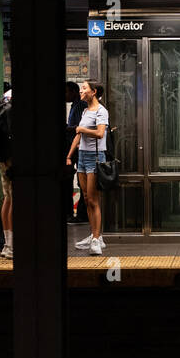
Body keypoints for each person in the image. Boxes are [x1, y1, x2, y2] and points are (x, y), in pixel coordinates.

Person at [67, 80, 109, 255]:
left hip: (95, 157)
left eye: (84, 88)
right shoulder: (85, 110)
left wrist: (81, 129)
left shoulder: (101, 111)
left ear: (94, 92)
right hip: (83, 156)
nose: (81, 90)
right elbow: (78, 135)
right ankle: (94, 235)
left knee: (93, 200)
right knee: (85, 197)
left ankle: (97, 240)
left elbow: (100, 133)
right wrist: (69, 156)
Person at [66, 82, 88, 224]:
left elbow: (81, 127)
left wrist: (69, 129)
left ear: (74, 91)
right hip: (74, 147)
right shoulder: (74, 105)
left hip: (78, 147)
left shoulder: (80, 105)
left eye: (67, 92)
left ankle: (82, 215)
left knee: (82, 182)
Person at [0, 86, 13, 260]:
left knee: (8, 198)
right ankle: (13, 246)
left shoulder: (4, 97)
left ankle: (8, 244)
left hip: (3, 154)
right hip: (14, 155)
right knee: (15, 199)